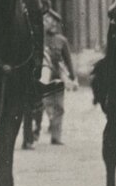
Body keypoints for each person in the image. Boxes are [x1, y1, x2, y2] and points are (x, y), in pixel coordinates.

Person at [23, 10, 77, 149]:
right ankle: (33, 134)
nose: (52, 24)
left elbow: (67, 59)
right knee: (38, 107)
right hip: (39, 78)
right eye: (49, 21)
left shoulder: (61, 40)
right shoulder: (35, 37)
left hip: (56, 77)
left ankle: (56, 136)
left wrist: (72, 75)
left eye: (55, 22)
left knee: (59, 107)